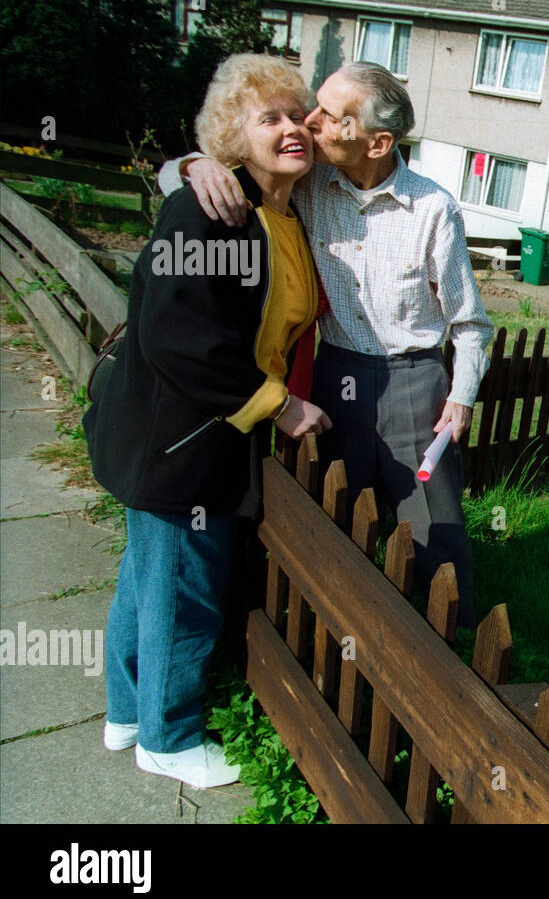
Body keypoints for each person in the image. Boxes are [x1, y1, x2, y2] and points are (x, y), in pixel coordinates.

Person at [161, 62, 493, 629]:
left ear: (377, 141)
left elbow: (470, 324)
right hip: (334, 375)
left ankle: (450, 638)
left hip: (414, 381)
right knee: (341, 508)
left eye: (326, 116)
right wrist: (195, 165)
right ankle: (347, 622)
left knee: (433, 519)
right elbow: (178, 179)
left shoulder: (433, 209)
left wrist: (460, 398)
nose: (307, 122)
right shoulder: (309, 181)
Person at [85, 53, 333, 788]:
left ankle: (127, 714)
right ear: (235, 137)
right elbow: (178, 335)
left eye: (297, 115)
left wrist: (188, 162)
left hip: (192, 437)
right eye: (271, 118)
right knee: (183, 590)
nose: (291, 129)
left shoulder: (285, 211)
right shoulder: (211, 207)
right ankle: (168, 738)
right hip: (181, 442)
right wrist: (279, 406)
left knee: (147, 580)